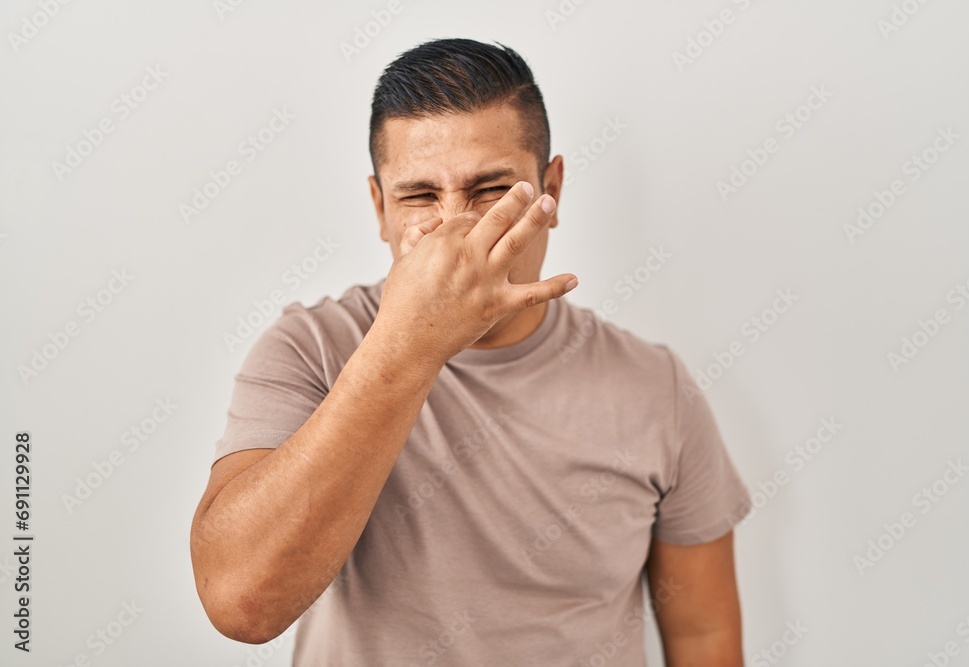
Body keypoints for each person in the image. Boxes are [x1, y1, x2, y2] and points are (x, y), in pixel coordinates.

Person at [190, 37, 752, 666]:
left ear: (553, 191)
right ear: (380, 208)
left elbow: (704, 637)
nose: (460, 228)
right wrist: (412, 343)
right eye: (420, 197)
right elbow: (241, 603)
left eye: (491, 191)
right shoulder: (310, 350)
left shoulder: (655, 387)